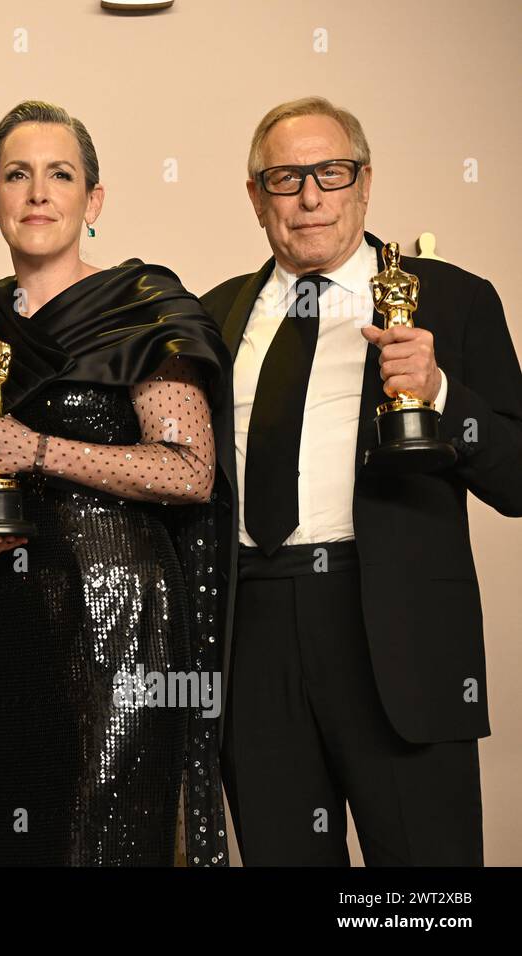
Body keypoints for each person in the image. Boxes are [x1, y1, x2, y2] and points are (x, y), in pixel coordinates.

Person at [201, 96, 522, 865]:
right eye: (285, 178)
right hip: (254, 633)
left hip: (396, 637)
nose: (310, 197)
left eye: (331, 172)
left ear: (364, 184)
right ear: (256, 198)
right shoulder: (210, 319)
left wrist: (442, 393)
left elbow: (517, 478)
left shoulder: (453, 297)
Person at [0, 101, 233, 866]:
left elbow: (190, 470)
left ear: (92, 200)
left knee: (107, 835)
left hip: (118, 616)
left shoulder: (142, 308)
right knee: (4, 831)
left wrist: (38, 449)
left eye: (60, 175)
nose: (38, 193)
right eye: (17, 175)